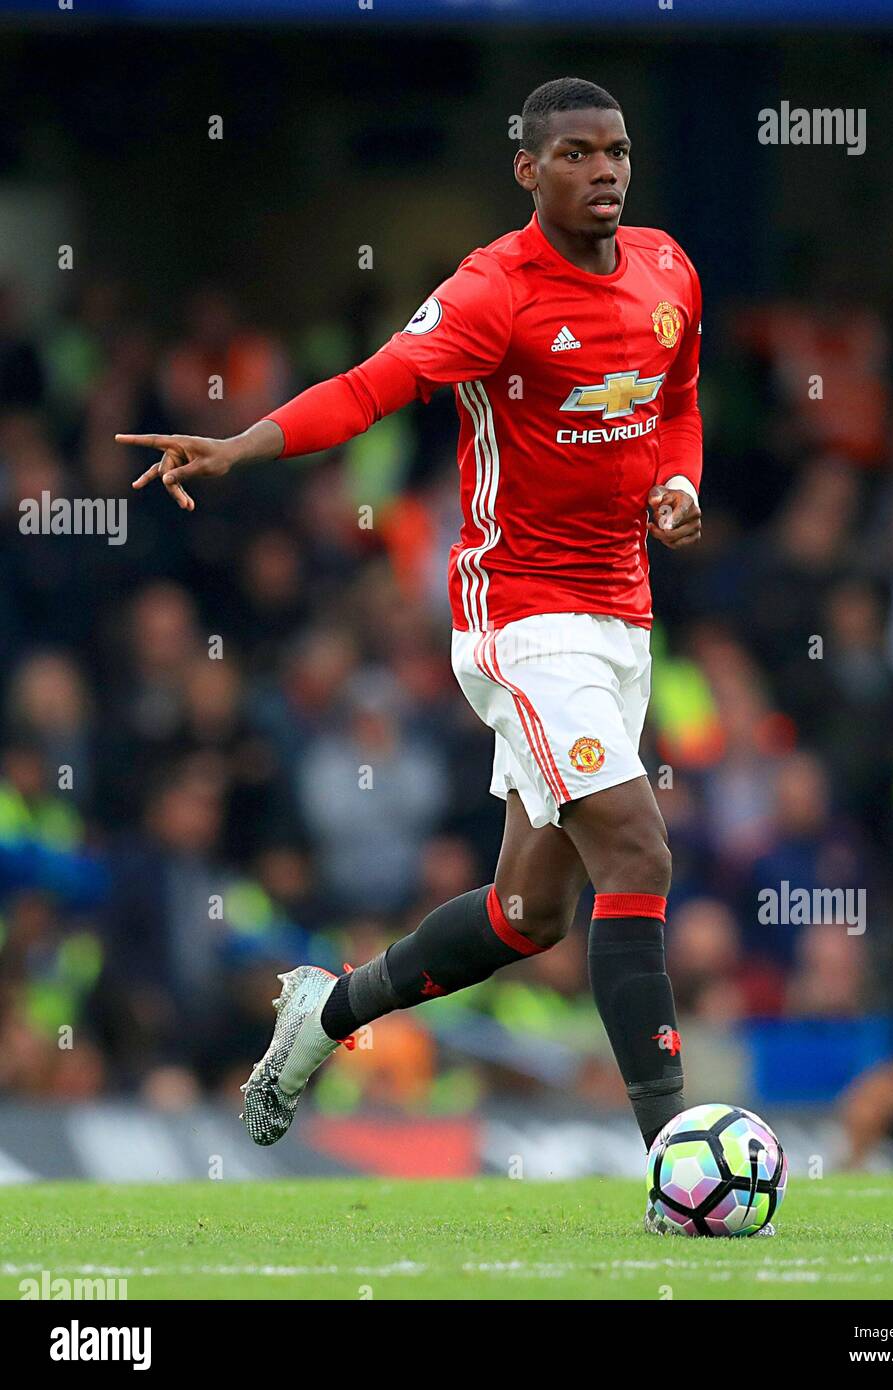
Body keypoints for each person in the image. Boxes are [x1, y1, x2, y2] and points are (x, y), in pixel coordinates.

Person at [116, 78, 704, 1171]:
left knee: (529, 911)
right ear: (527, 171)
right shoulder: (494, 290)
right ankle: (675, 1155)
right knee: (637, 844)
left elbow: (673, 405)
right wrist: (239, 446)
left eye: (615, 150)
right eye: (575, 154)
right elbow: (371, 386)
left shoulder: (668, 269)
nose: (605, 170)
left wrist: (677, 489)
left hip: (621, 616)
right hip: (520, 617)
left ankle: (324, 1014)